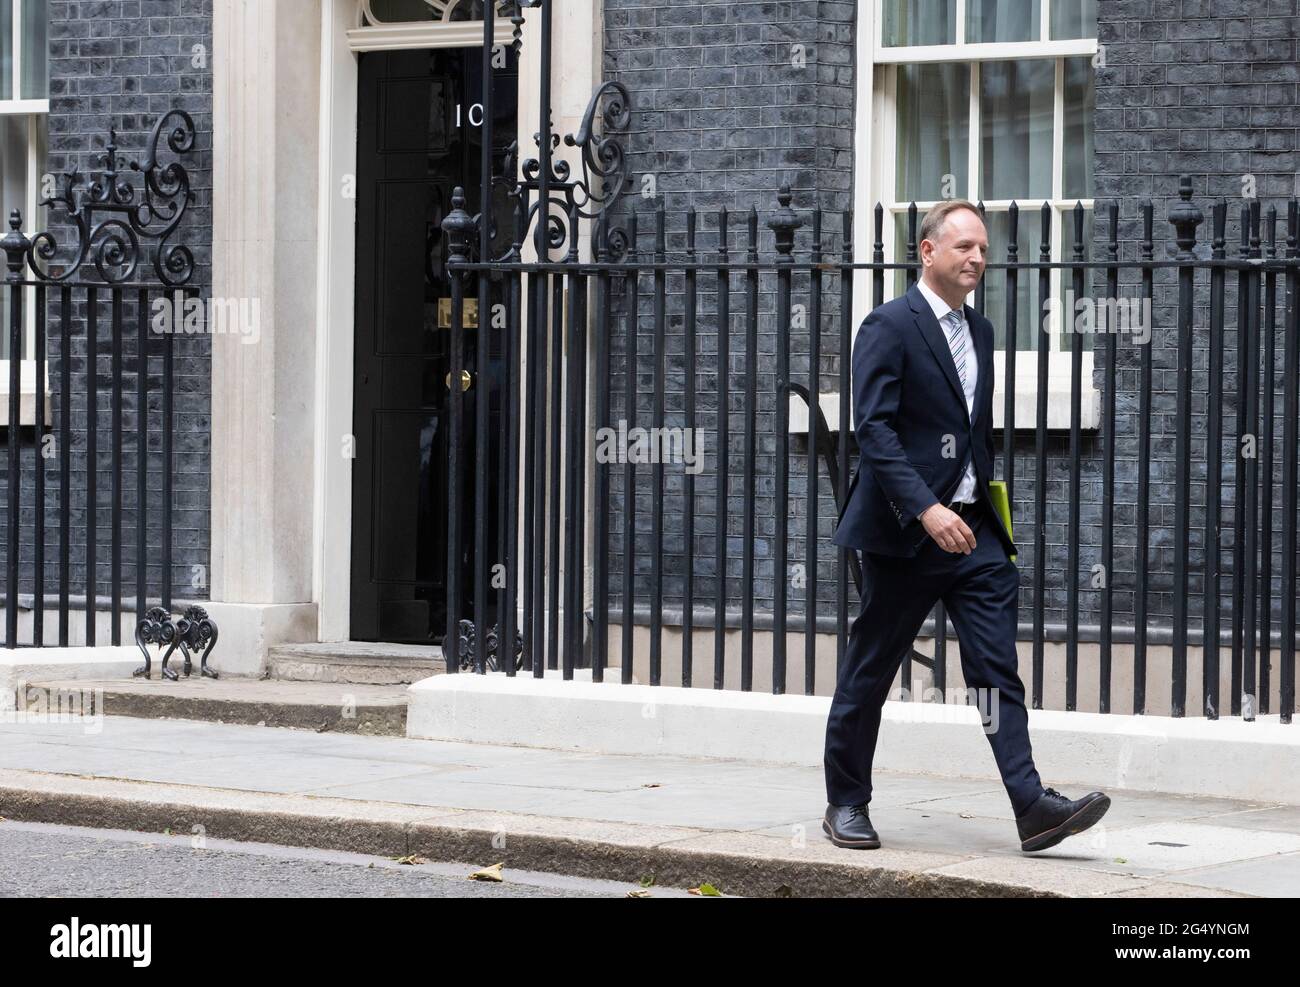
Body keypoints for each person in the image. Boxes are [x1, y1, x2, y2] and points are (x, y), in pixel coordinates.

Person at [823, 199, 1110, 853]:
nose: (979, 257)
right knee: (871, 670)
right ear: (928, 252)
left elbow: (969, 429)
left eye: (984, 247)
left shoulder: (979, 332)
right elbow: (874, 430)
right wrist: (926, 506)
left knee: (995, 670)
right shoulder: (888, 326)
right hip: (906, 533)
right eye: (965, 247)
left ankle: (1031, 804)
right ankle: (845, 801)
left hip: (975, 531)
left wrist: (979, 503)